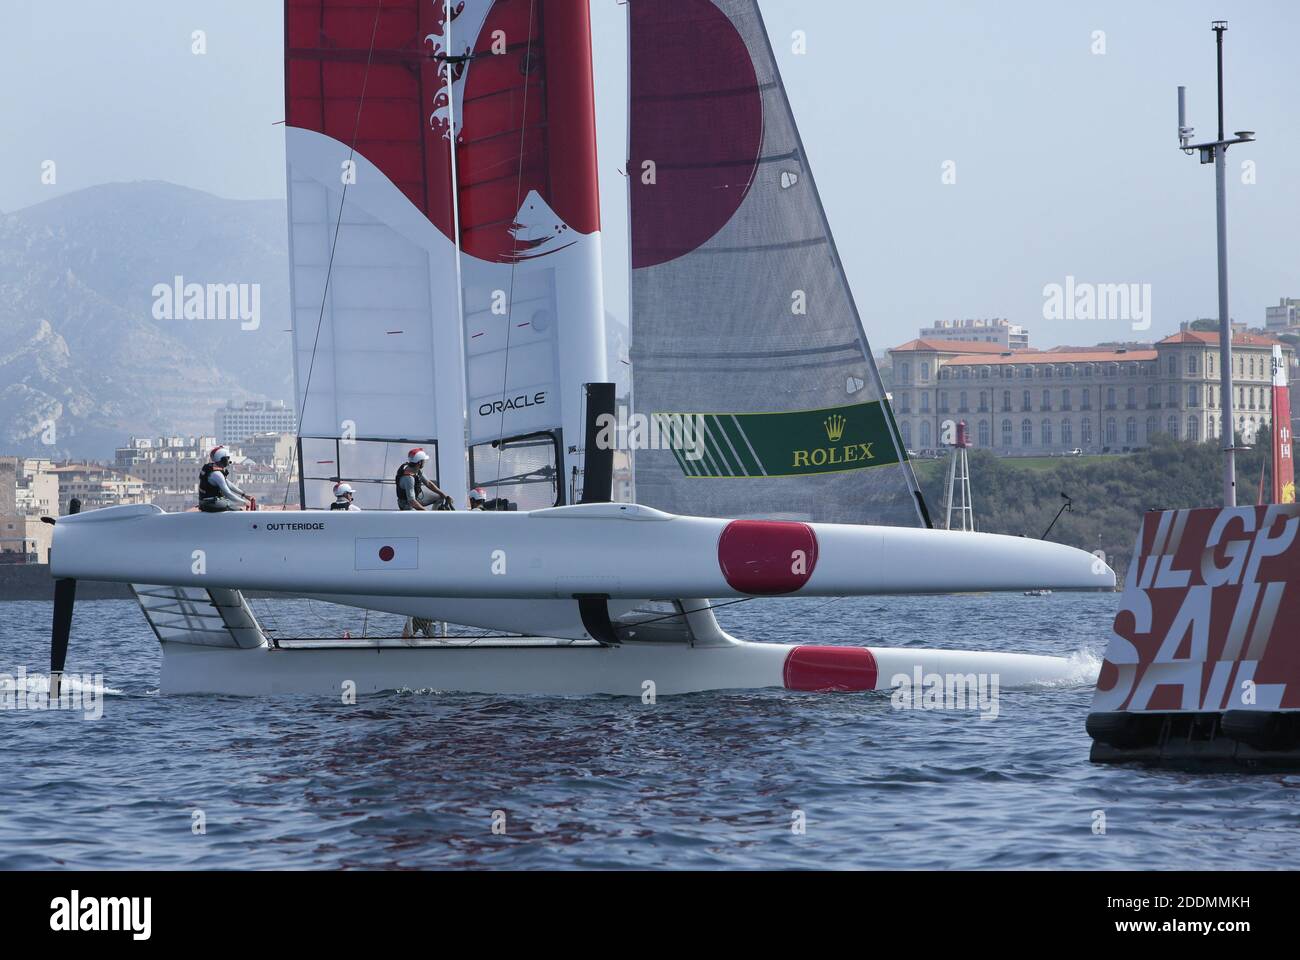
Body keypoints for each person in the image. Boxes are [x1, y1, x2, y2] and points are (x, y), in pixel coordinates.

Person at [198, 446, 250, 512]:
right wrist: (244, 502)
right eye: (227, 458)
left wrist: (243, 494)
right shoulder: (217, 474)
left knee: (231, 502)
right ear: (223, 459)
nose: (229, 461)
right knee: (236, 507)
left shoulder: (212, 469)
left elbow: (228, 484)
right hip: (211, 503)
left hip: (204, 502)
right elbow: (228, 494)